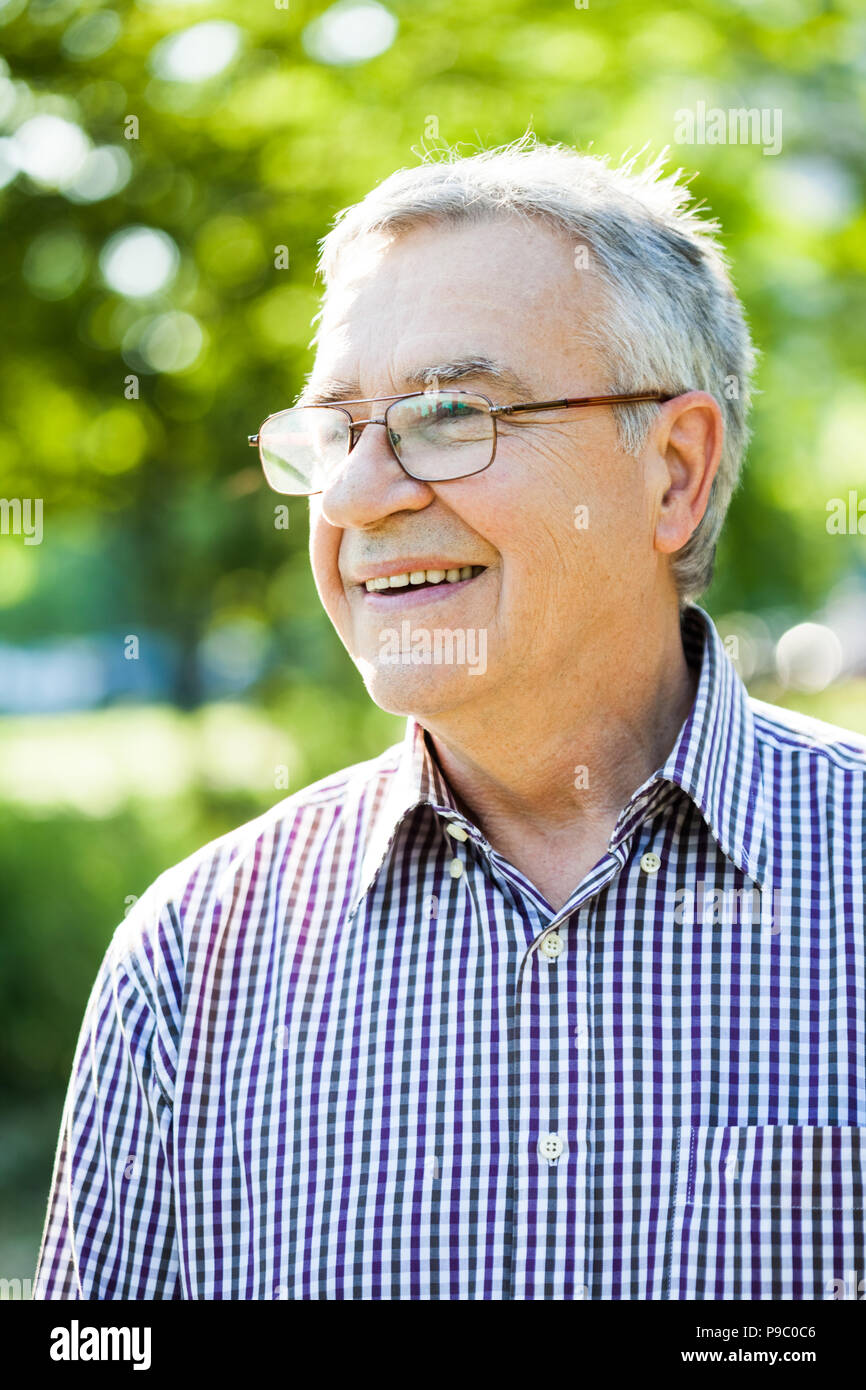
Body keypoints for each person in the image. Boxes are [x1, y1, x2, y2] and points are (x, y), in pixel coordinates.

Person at [35, 140, 866, 1300]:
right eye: (336, 433)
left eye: (448, 415)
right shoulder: (189, 960)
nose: (356, 496)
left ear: (671, 473)